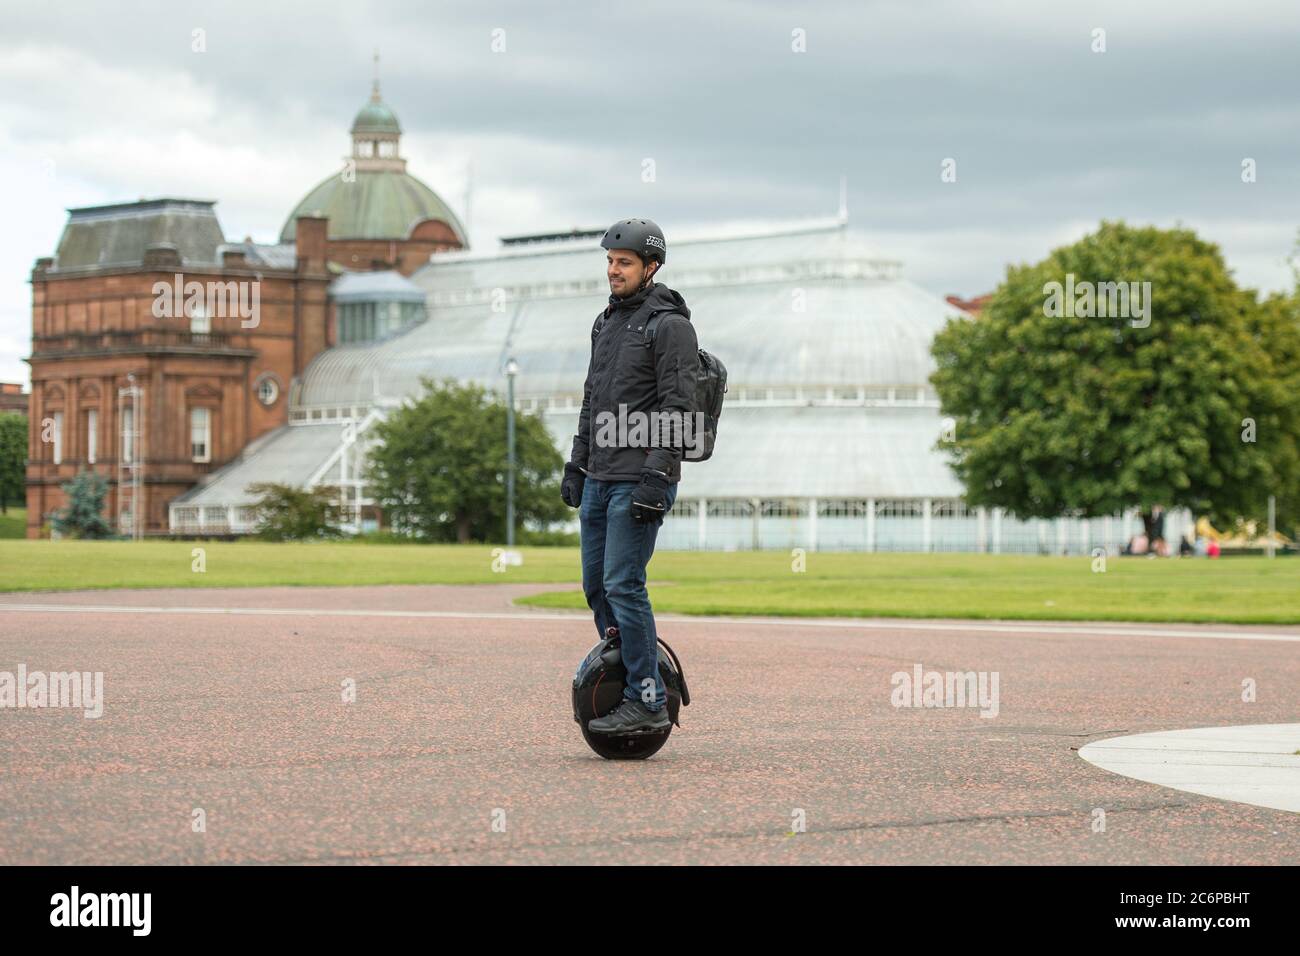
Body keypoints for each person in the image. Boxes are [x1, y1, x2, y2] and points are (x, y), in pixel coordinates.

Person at [560, 218, 699, 735]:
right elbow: (592, 399)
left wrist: (657, 476)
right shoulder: (605, 323)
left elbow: (679, 406)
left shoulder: (670, 326)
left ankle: (647, 696)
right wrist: (577, 463)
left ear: (651, 267)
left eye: (624, 263)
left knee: (624, 583)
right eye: (611, 262)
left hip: (638, 479)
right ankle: (628, 672)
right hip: (599, 476)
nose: (614, 271)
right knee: (596, 585)